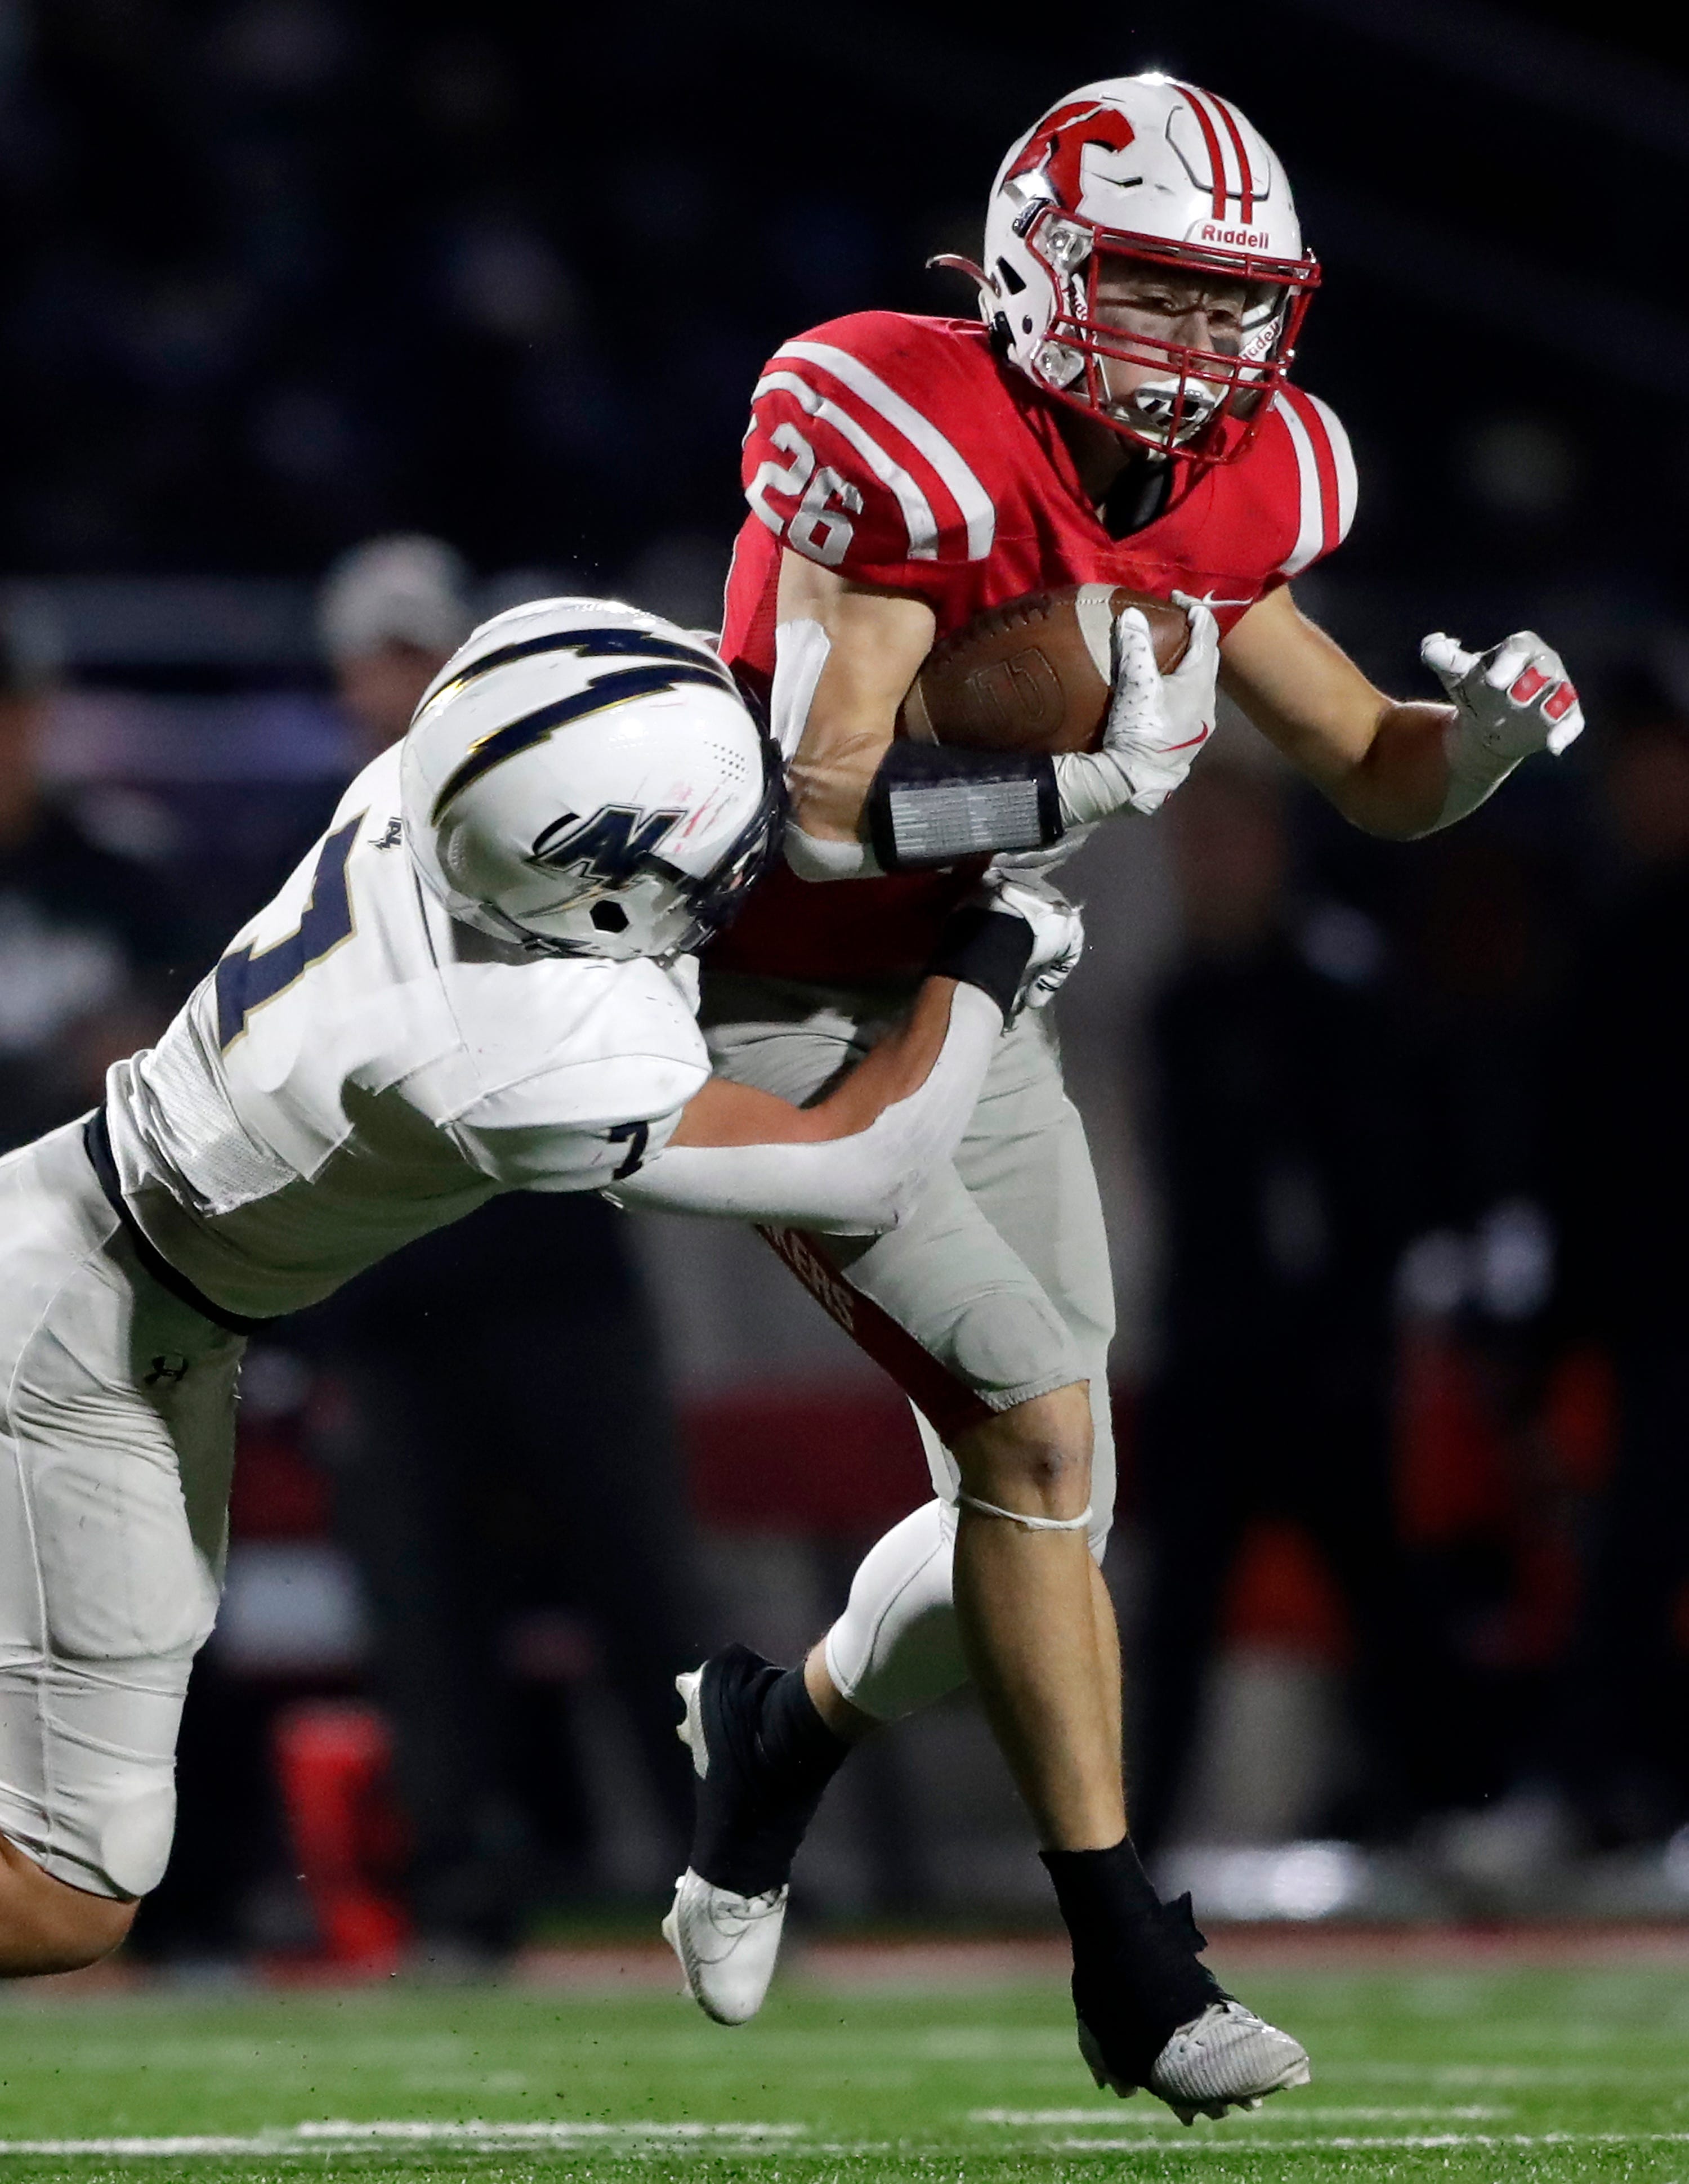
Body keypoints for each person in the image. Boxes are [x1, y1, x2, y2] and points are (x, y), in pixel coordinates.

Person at [663, 73, 1583, 2120]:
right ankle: (1129, 1961)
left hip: (979, 994)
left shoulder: (1232, 484)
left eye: (1230, 301)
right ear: (1037, 267)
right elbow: (814, 817)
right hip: (773, 1008)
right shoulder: (912, 430)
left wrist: (1496, 742)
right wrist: (1083, 786)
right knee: (1031, 1427)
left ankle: (779, 1744)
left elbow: (1370, 762)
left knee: (1041, 1496)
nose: (1204, 348)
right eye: (1158, 294)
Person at [0, 596, 1080, 1981]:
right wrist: (992, 959)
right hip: (82, 1346)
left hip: (95, 1263)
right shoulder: (510, 1057)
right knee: (67, 1897)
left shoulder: (435, 783)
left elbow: (711, 744)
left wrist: (969, 784)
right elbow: (859, 1158)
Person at [307, 540, 713, 1950]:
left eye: (420, 655)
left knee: (641, 1586)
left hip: (555, 1280)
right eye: (379, 658)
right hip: (397, 1300)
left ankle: (725, 1865)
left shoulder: (554, 813)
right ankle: (464, 1888)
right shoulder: (317, 860)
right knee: (427, 1623)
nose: (397, 685)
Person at [1129, 759, 1448, 1852]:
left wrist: (1352, 1339)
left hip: (1321, 1364)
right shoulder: (1180, 1006)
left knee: (1381, 1600)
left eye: (1231, 839)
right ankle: (1129, 1839)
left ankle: (1435, 1817)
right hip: (1216, 1363)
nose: (1212, 866)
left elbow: (1377, 1191)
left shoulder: (1337, 993)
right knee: (1175, 1619)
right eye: (1196, 845)